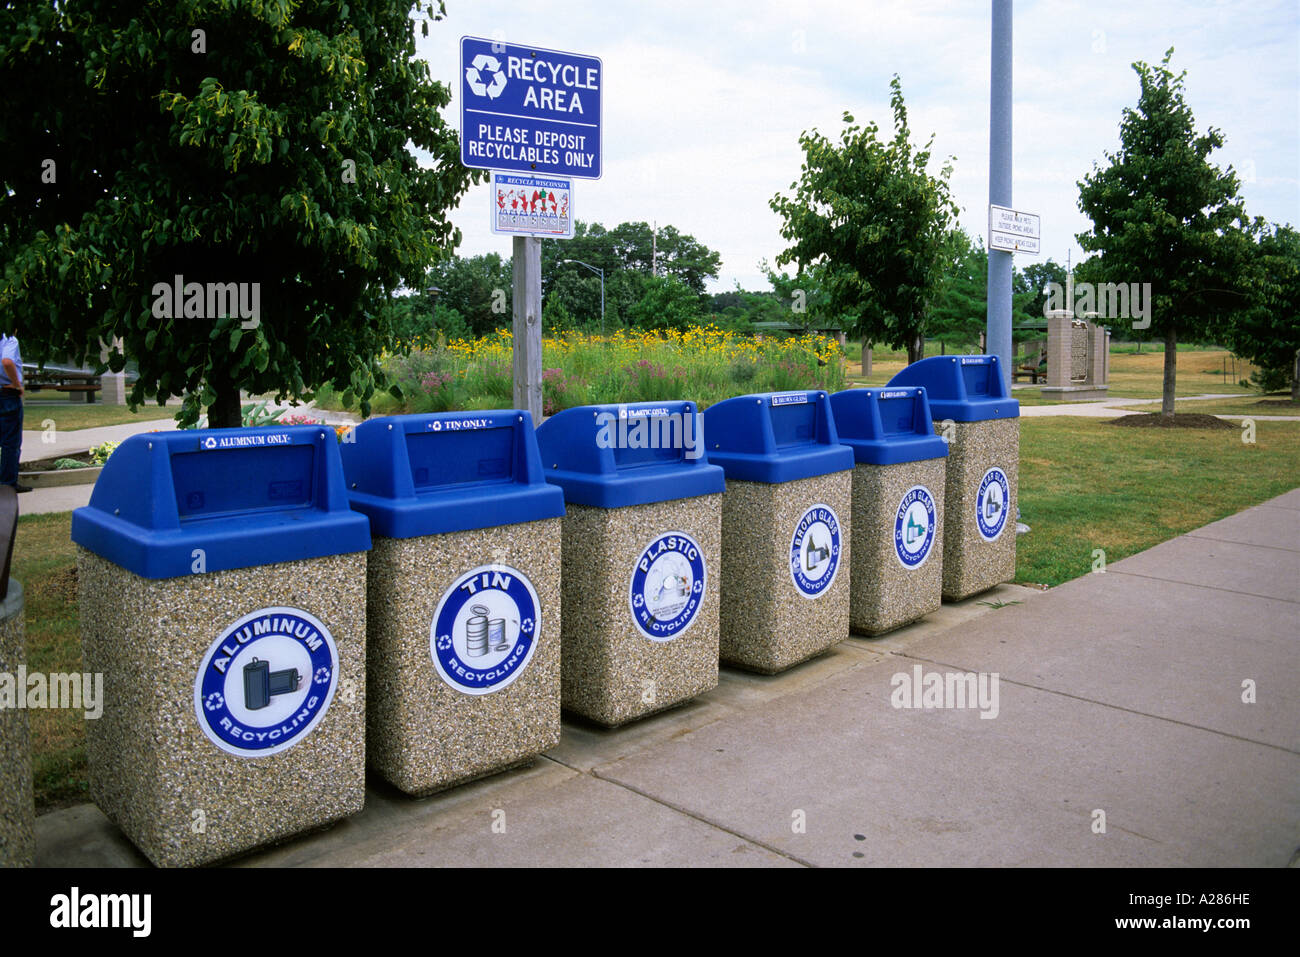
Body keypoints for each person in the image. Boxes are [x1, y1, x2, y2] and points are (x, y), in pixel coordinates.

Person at [0, 332, 30, 493]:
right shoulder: (9, 339)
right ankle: (7, 484)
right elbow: (7, 361)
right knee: (10, 443)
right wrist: (17, 385)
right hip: (6, 395)